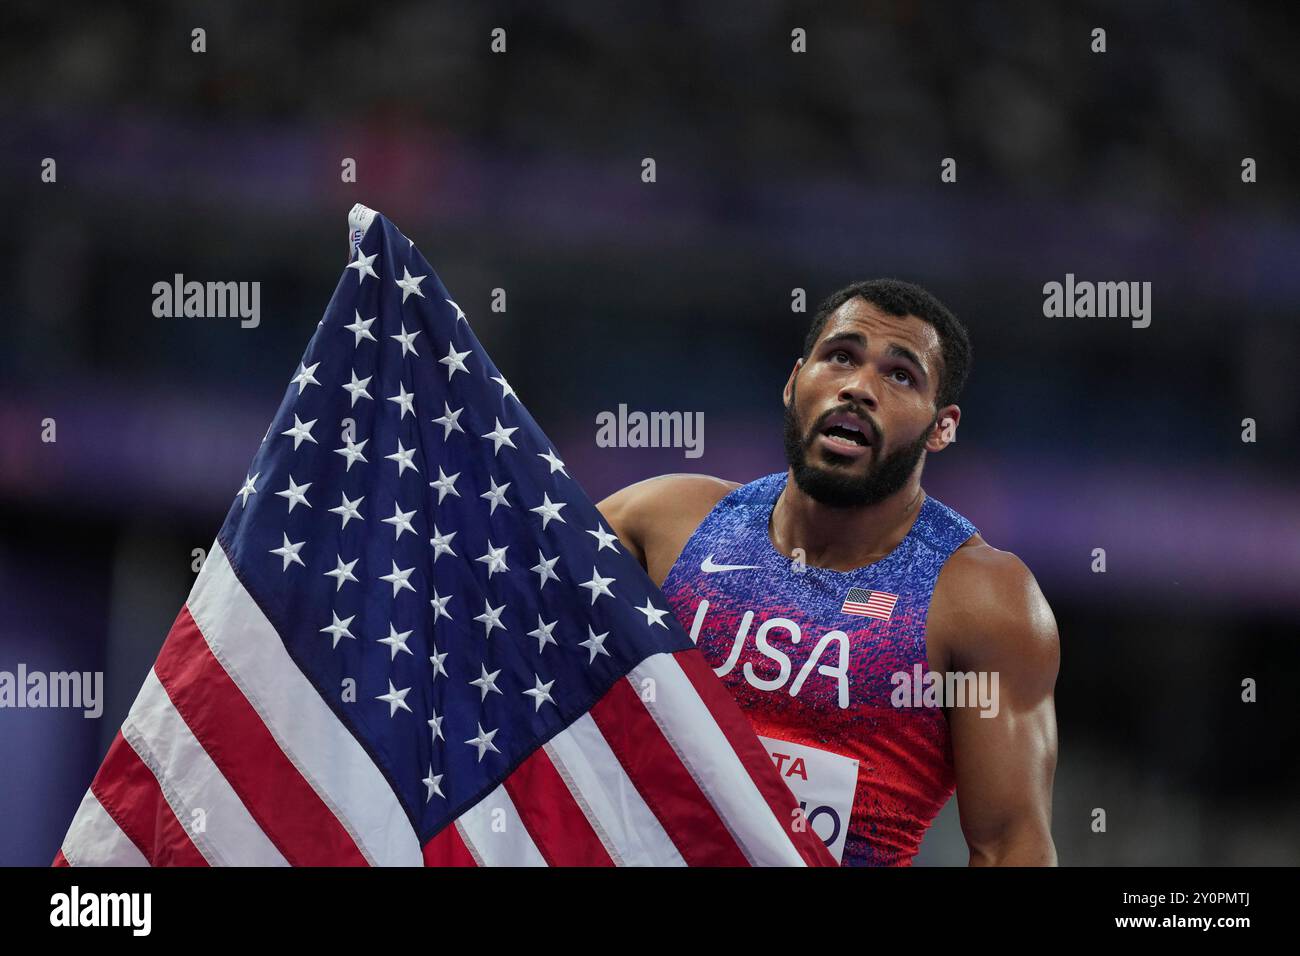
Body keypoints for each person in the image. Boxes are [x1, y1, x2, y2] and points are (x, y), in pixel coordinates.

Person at [597, 279, 1060, 866]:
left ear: (942, 427)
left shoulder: (982, 600)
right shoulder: (658, 523)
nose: (858, 387)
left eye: (900, 375)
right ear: (794, 382)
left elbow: (1010, 847)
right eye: (840, 356)